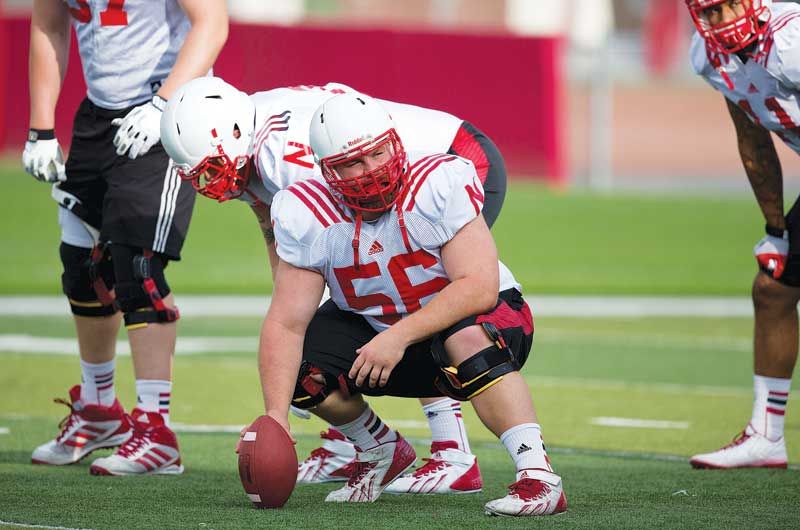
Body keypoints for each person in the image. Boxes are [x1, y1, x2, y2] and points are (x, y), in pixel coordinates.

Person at [161, 77, 508, 493]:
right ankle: (359, 442)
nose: (212, 183)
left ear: (234, 134)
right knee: (341, 312)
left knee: (401, 288)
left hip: (458, 155)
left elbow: (345, 244)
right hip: (394, 181)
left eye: (214, 168)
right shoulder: (248, 147)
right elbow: (288, 247)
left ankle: (453, 451)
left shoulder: (281, 151)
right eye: (201, 175)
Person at [252, 92, 566, 515]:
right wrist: (276, 417)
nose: (371, 172)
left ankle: (538, 475)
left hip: (490, 323)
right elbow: (286, 324)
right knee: (294, 366)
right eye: (353, 163)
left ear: (395, 144)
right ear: (326, 170)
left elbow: (478, 286)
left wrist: (398, 336)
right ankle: (379, 449)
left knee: (466, 336)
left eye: (378, 154)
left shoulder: (437, 181)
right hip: (388, 340)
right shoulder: (305, 210)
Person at [23, 0, 228, 475]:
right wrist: (41, 127)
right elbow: (48, 24)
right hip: (99, 114)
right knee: (82, 267)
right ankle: (99, 410)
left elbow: (213, 22)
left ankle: (156, 431)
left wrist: (162, 106)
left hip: (172, 109)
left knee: (138, 269)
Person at [685, 0, 800, 469]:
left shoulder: (791, 42)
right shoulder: (710, 57)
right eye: (708, 12)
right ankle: (768, 436)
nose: (720, 22)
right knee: (773, 288)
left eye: (728, 6)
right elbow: (752, 136)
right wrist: (776, 230)